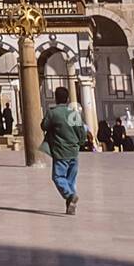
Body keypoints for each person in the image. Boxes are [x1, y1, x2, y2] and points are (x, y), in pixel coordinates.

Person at [40, 85, 89, 215]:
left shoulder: (53, 113)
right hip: (74, 151)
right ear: (67, 99)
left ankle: (70, 196)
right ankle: (70, 206)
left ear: (56, 99)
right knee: (70, 180)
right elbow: (82, 132)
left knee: (58, 177)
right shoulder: (74, 113)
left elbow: (43, 126)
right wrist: (80, 143)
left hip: (61, 151)